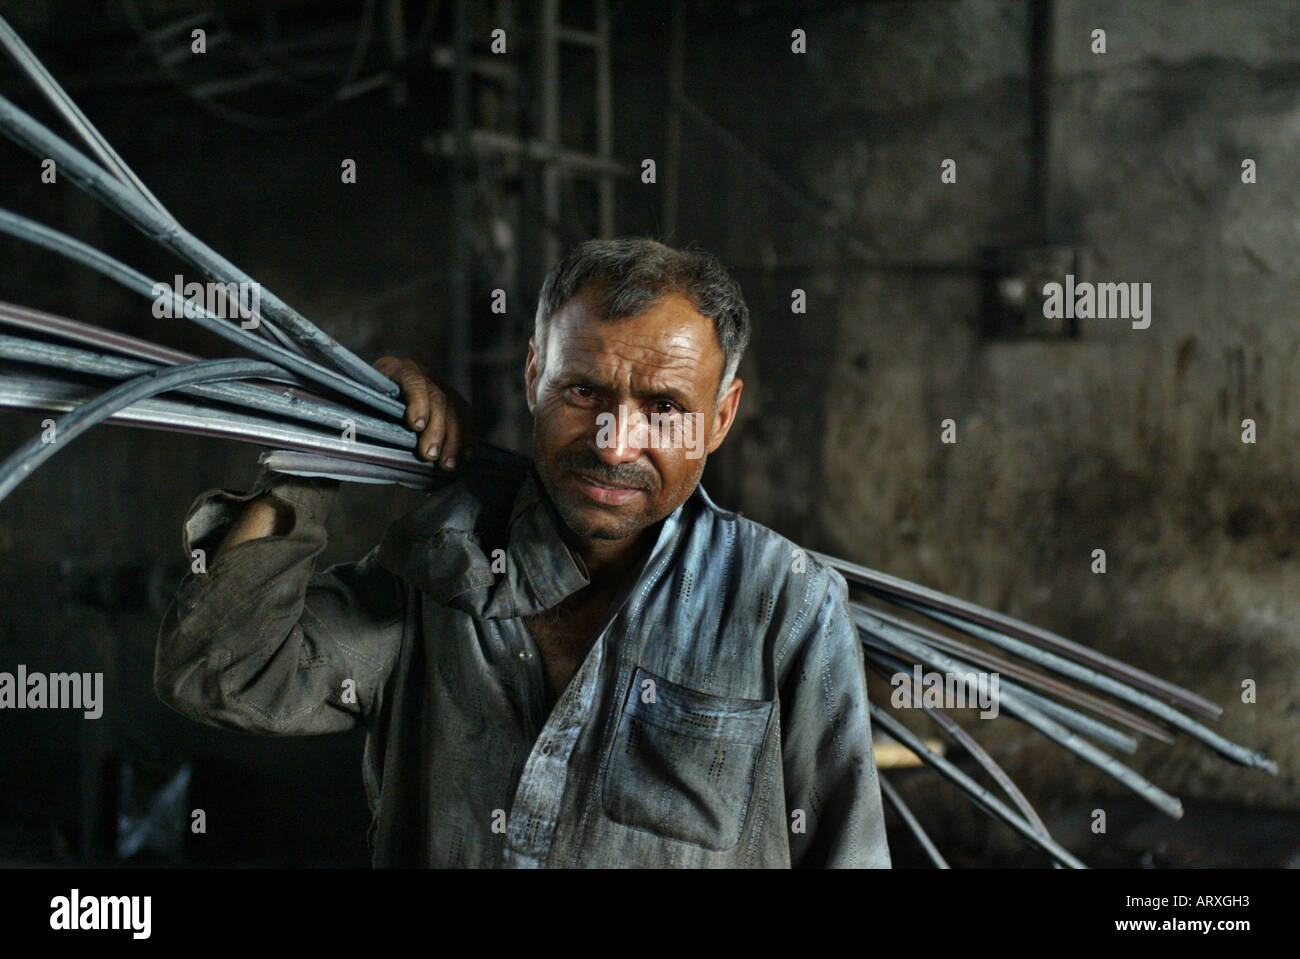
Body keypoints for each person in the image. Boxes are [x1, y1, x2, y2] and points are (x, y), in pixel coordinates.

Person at [155, 237, 891, 868]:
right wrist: (325, 444)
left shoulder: (786, 604)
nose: (615, 445)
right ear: (535, 375)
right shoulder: (438, 564)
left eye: (664, 408)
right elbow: (220, 674)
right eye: (583, 392)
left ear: (721, 416)